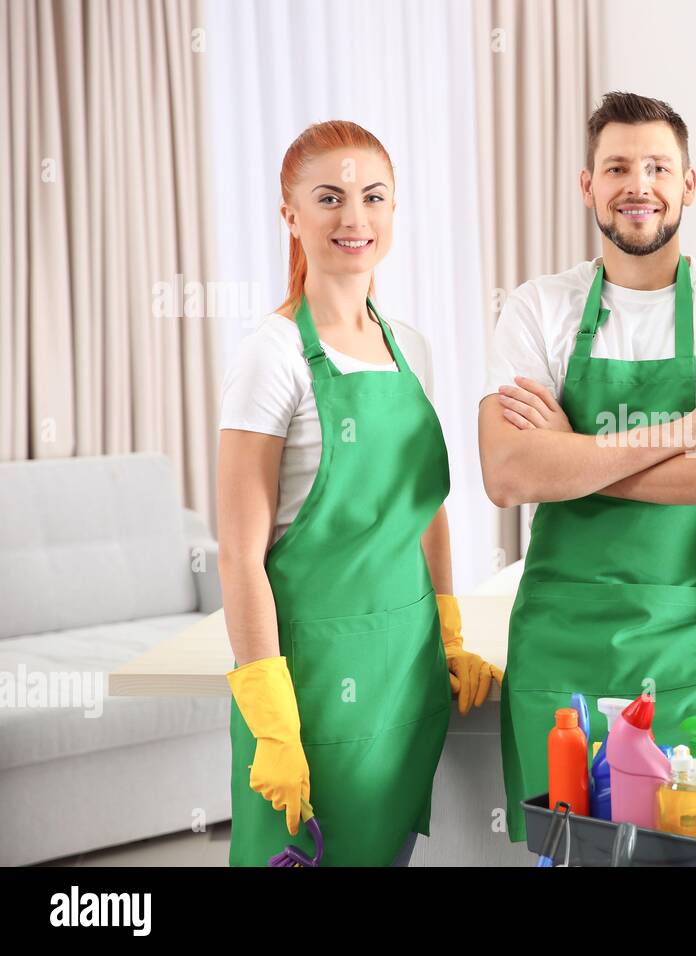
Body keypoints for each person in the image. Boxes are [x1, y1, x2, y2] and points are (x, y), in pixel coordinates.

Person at [478, 92, 696, 841]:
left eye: (659, 167)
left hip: (693, 646)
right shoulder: (537, 308)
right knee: (575, 855)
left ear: (689, 183)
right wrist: (691, 430)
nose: (639, 185)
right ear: (587, 184)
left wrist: (571, 457)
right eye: (617, 167)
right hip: (562, 655)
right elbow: (507, 474)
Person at [218, 120, 498, 866]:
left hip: (404, 676)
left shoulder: (411, 347)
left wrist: (448, 633)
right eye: (329, 198)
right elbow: (239, 556)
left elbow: (425, 510)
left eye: (373, 197)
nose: (354, 217)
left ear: (394, 209)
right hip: (307, 689)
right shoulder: (271, 356)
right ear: (290, 214)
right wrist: (273, 721)